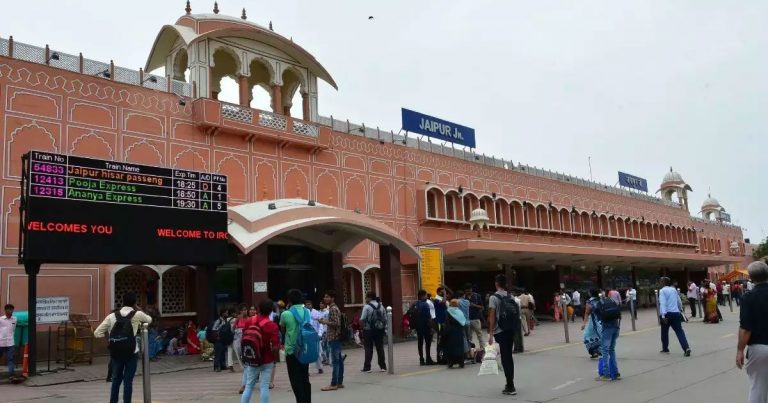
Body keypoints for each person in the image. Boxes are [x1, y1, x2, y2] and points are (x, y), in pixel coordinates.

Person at [94, 292, 152, 403]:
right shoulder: (137, 314)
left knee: (116, 380)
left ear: (122, 302)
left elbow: (97, 333)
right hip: (131, 352)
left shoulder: (112, 316)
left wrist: (110, 338)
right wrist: (138, 309)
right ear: (134, 303)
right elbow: (149, 320)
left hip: (116, 352)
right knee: (128, 381)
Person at [736, 261, 768, 403]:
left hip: (759, 348)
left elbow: (746, 328)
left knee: (758, 388)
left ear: (751, 277)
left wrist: (740, 350)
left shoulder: (748, 297)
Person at [241, 299, 280, 403]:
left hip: (252, 357)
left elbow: (244, 336)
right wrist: (275, 359)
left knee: (249, 386)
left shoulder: (250, 321)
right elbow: (275, 346)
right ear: (271, 311)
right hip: (267, 359)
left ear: (258, 309)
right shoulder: (272, 326)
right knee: (264, 387)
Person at [487, 274, 519, 396]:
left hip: (500, 330)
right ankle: (509, 383)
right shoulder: (510, 296)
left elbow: (492, 316)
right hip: (510, 329)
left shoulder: (493, 298)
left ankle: (510, 385)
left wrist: (490, 333)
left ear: (496, 283)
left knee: (506, 357)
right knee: (508, 356)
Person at [280, 289, 312, 402]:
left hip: (292, 350)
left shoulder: (286, 314)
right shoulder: (307, 311)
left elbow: (282, 328)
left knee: (295, 379)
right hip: (305, 349)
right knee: (305, 378)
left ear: (289, 300)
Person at [658, 277, 691, 357]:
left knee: (664, 332)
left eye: (660, 282)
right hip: (676, 313)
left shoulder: (662, 291)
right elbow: (678, 300)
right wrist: (680, 309)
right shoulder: (673, 290)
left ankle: (665, 348)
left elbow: (663, 303)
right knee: (679, 331)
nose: (659, 283)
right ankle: (686, 348)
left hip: (667, 314)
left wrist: (663, 315)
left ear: (663, 283)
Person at [319, 290, 343, 391]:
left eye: (327, 297)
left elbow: (336, 323)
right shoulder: (334, 308)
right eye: (325, 297)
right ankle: (339, 382)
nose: (325, 299)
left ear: (332, 298)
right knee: (339, 360)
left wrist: (324, 322)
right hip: (336, 337)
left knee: (335, 361)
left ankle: (333, 384)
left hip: (334, 337)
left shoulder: (333, 309)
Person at [594, 290, 621, 381]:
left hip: (607, 328)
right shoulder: (612, 301)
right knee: (612, 350)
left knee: (605, 350)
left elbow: (598, 317)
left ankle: (606, 374)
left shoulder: (599, 303)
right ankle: (616, 372)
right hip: (616, 327)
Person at [360, 291, 387, 373]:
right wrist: (383, 327)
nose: (365, 299)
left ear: (370, 298)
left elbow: (362, 319)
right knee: (380, 348)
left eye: (366, 297)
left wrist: (361, 329)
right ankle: (383, 366)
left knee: (368, 348)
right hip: (379, 330)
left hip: (368, 330)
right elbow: (385, 318)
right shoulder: (381, 306)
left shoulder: (367, 307)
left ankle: (367, 367)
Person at [411, 289, 436, 365]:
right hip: (426, 326)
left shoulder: (414, 304)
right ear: (422, 296)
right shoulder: (425, 304)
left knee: (420, 343)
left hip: (418, 326)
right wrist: (431, 327)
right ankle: (428, 358)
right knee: (428, 343)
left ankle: (421, 359)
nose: (426, 297)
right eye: (425, 295)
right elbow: (428, 317)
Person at [442, 299, 468, 368]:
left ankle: (451, 362)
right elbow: (463, 322)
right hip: (459, 331)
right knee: (459, 346)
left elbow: (446, 322)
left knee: (451, 347)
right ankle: (461, 362)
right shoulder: (459, 311)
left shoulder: (448, 311)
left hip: (450, 331)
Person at [580, 290, 603, 359]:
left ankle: (594, 352)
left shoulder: (589, 301)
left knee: (587, 336)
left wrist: (584, 323)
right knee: (600, 336)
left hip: (594, 323)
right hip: (602, 321)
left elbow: (587, 313)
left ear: (590, 293)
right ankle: (600, 351)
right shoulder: (601, 300)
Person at [306, 300, 325, 375]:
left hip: (316, 335)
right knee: (307, 353)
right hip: (307, 335)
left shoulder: (317, 313)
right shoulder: (304, 313)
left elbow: (321, 324)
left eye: (309, 304)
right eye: (307, 304)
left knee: (318, 353)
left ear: (312, 305)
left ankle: (320, 368)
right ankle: (307, 370)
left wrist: (320, 334)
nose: (308, 306)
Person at [0, 304, 17, 378]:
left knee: (11, 359)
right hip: (1, 342)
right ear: (5, 310)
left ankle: (11, 375)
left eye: (12, 310)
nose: (11, 311)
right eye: (9, 309)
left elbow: (13, 329)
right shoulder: (0, 319)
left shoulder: (15, 319)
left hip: (10, 343)